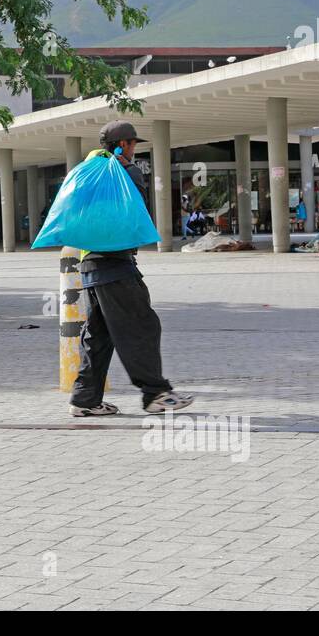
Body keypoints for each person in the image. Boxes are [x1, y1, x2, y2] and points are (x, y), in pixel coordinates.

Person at [69, 120, 196, 417]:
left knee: (99, 336)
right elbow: (134, 210)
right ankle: (156, 394)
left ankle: (84, 399)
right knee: (142, 326)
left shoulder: (88, 170)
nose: (135, 149)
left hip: (89, 265)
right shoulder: (125, 172)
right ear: (122, 145)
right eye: (133, 144)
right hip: (115, 264)